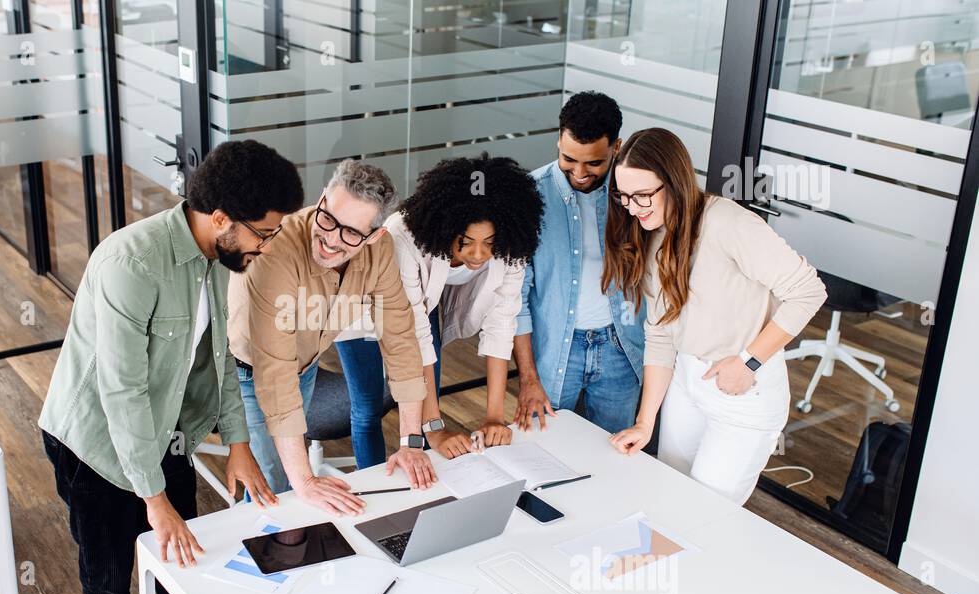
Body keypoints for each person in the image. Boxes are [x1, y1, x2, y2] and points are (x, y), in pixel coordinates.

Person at [37, 140, 303, 594]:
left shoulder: (215, 257)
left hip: (164, 430)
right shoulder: (132, 264)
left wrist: (239, 443)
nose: (265, 246)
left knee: (185, 567)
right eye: (263, 234)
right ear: (222, 218)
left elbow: (218, 357)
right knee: (110, 583)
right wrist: (154, 501)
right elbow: (123, 392)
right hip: (95, 444)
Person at [606, 128, 827, 505]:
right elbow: (659, 334)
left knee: (703, 514)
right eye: (624, 196)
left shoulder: (727, 223)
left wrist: (749, 361)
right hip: (687, 382)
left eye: (643, 195)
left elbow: (809, 291)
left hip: (743, 387)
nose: (632, 206)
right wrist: (645, 423)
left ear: (674, 182)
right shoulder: (652, 233)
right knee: (669, 498)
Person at [227, 159, 436, 516]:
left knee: (290, 487)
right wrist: (305, 480)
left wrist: (411, 441)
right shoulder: (275, 251)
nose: (330, 240)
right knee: (276, 490)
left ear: (375, 235)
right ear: (323, 197)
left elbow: (400, 339)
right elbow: (275, 374)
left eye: (352, 233)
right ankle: (262, 562)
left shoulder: (379, 251)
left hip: (306, 366)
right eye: (328, 219)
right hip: (250, 372)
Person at [334, 154, 544, 463]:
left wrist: (495, 419)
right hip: (362, 308)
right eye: (467, 241)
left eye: (489, 242)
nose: (479, 254)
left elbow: (502, 323)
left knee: (427, 401)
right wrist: (434, 429)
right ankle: (375, 496)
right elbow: (413, 336)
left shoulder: (511, 245)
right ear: (446, 228)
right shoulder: (403, 235)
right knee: (368, 407)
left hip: (418, 303)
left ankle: (430, 483)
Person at [513, 91, 647, 436]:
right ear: (559, 140)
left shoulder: (634, 194)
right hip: (555, 348)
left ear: (616, 147)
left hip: (621, 348)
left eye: (594, 163)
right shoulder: (528, 197)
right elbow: (515, 300)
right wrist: (527, 379)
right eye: (569, 159)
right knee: (542, 458)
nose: (580, 172)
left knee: (614, 457)